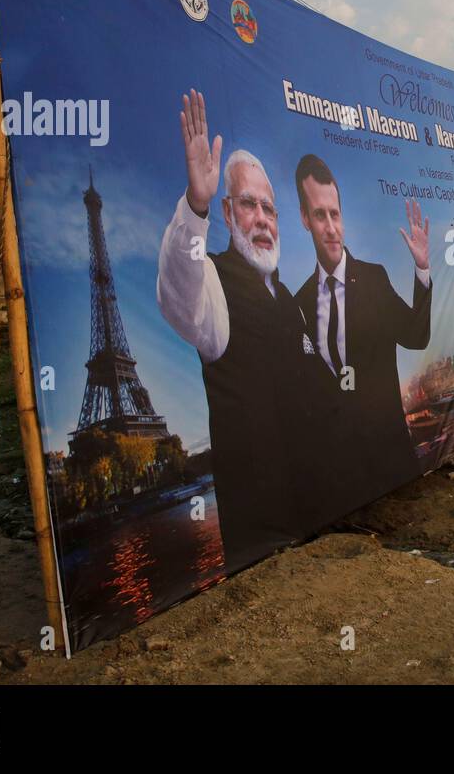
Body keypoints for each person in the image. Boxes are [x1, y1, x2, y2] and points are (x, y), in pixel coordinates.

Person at [156, 89, 316, 571]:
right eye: (249, 206)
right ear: (227, 214)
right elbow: (178, 298)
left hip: (310, 523)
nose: (263, 220)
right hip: (258, 551)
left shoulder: (288, 300)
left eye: (269, 209)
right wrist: (194, 208)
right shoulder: (212, 281)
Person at [292, 154, 432, 517]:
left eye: (335, 214)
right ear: (305, 219)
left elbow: (417, 336)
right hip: (340, 485)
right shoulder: (299, 304)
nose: (331, 227)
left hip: (393, 470)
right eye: (319, 215)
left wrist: (422, 269)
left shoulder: (374, 279)